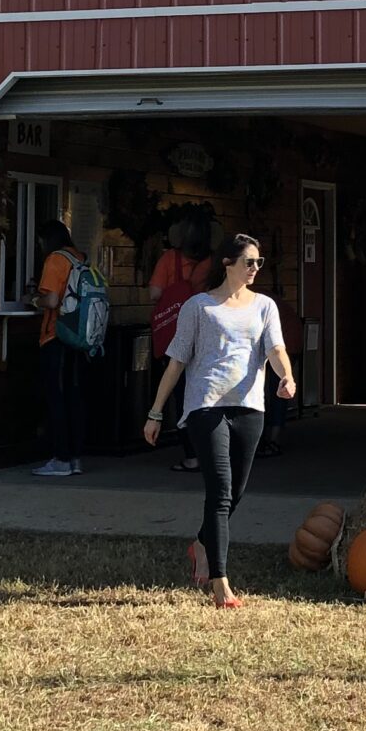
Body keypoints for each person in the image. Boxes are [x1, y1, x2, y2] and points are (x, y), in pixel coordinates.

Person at [144, 232, 296, 608]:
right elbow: (176, 359)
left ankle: (201, 541)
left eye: (259, 263)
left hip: (250, 407)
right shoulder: (198, 307)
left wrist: (286, 376)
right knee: (220, 491)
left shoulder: (264, 307)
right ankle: (220, 583)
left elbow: (275, 348)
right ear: (227, 264)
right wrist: (156, 412)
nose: (255, 269)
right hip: (206, 407)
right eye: (249, 262)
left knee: (236, 492)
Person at [149, 213, 216, 471]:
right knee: (208, 395)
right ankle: (214, 451)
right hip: (209, 336)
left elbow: (155, 293)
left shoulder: (169, 259)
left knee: (181, 394)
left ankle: (191, 455)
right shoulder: (215, 263)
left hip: (177, 336)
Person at [28, 218, 88, 478]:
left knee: (55, 397)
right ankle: (74, 457)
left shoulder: (55, 260)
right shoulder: (79, 257)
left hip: (56, 335)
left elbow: (52, 299)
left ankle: (60, 458)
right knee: (73, 397)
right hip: (78, 336)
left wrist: (32, 299)